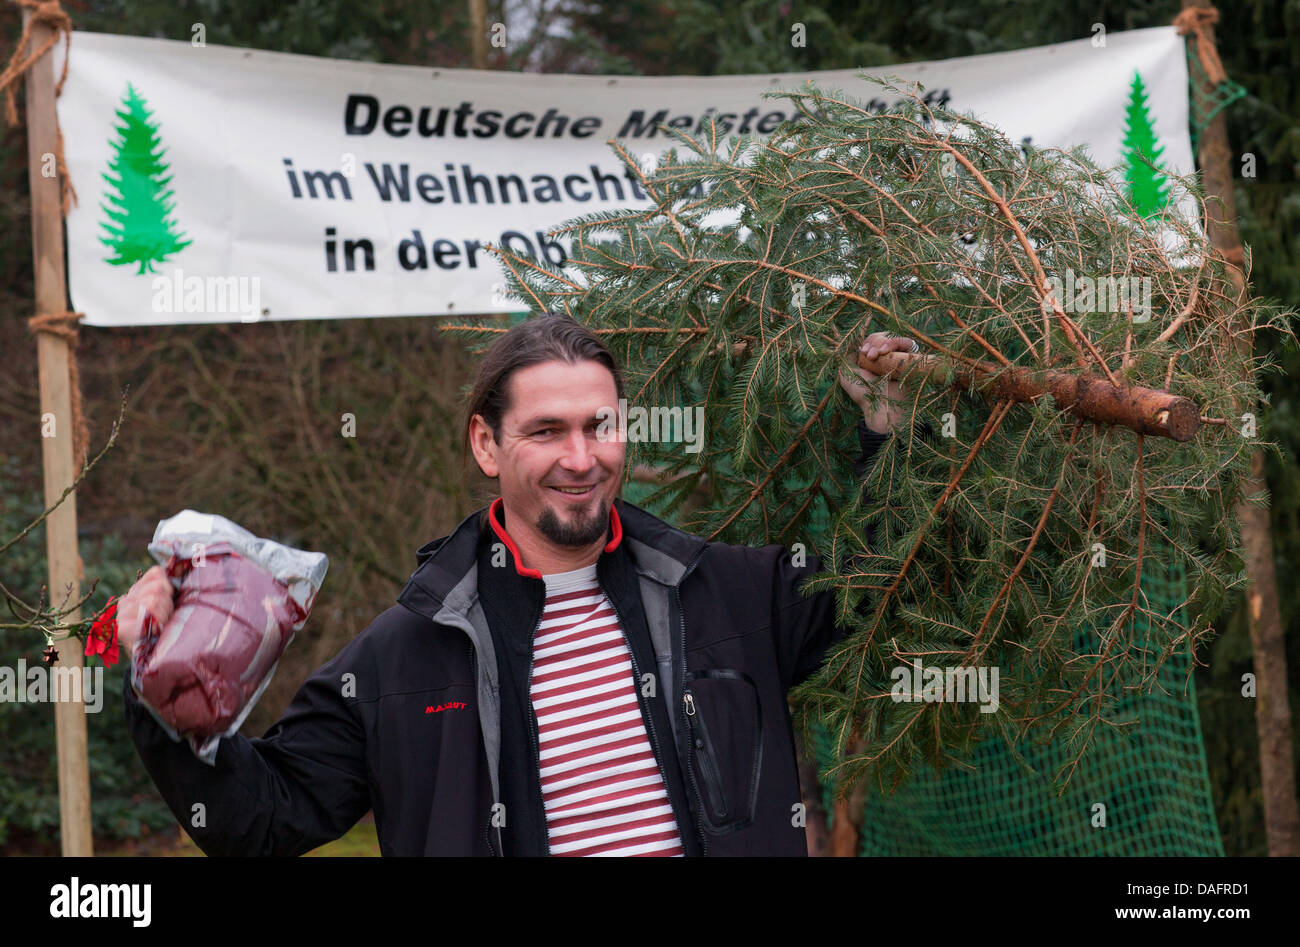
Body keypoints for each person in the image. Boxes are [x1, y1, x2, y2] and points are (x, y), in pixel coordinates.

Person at [114, 313, 917, 856]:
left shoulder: (732, 595)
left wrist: (887, 436)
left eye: (599, 425)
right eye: (546, 430)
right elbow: (260, 817)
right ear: (486, 445)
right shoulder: (402, 659)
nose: (581, 456)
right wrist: (163, 694)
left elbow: (883, 591)